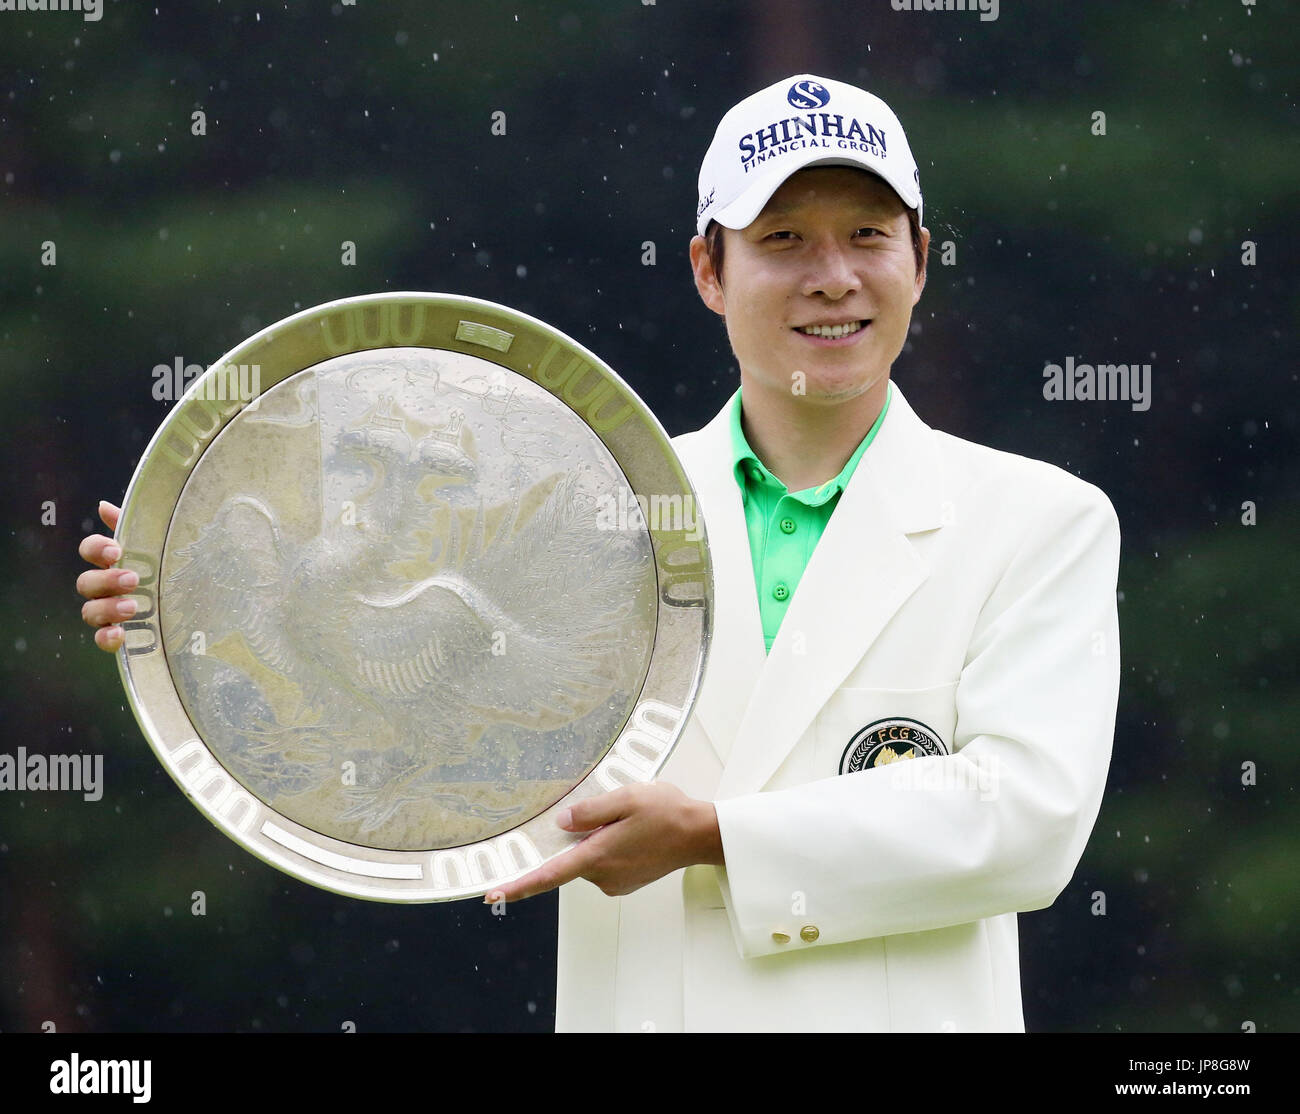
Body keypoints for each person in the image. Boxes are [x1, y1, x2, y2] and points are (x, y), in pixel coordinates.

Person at [77, 73, 1121, 1033]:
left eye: (865, 233)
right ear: (710, 270)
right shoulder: (581, 508)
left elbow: (1026, 823)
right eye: (784, 240)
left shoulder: (1039, 520)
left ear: (919, 259)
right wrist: (185, 611)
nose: (833, 277)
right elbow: (381, 685)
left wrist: (714, 837)